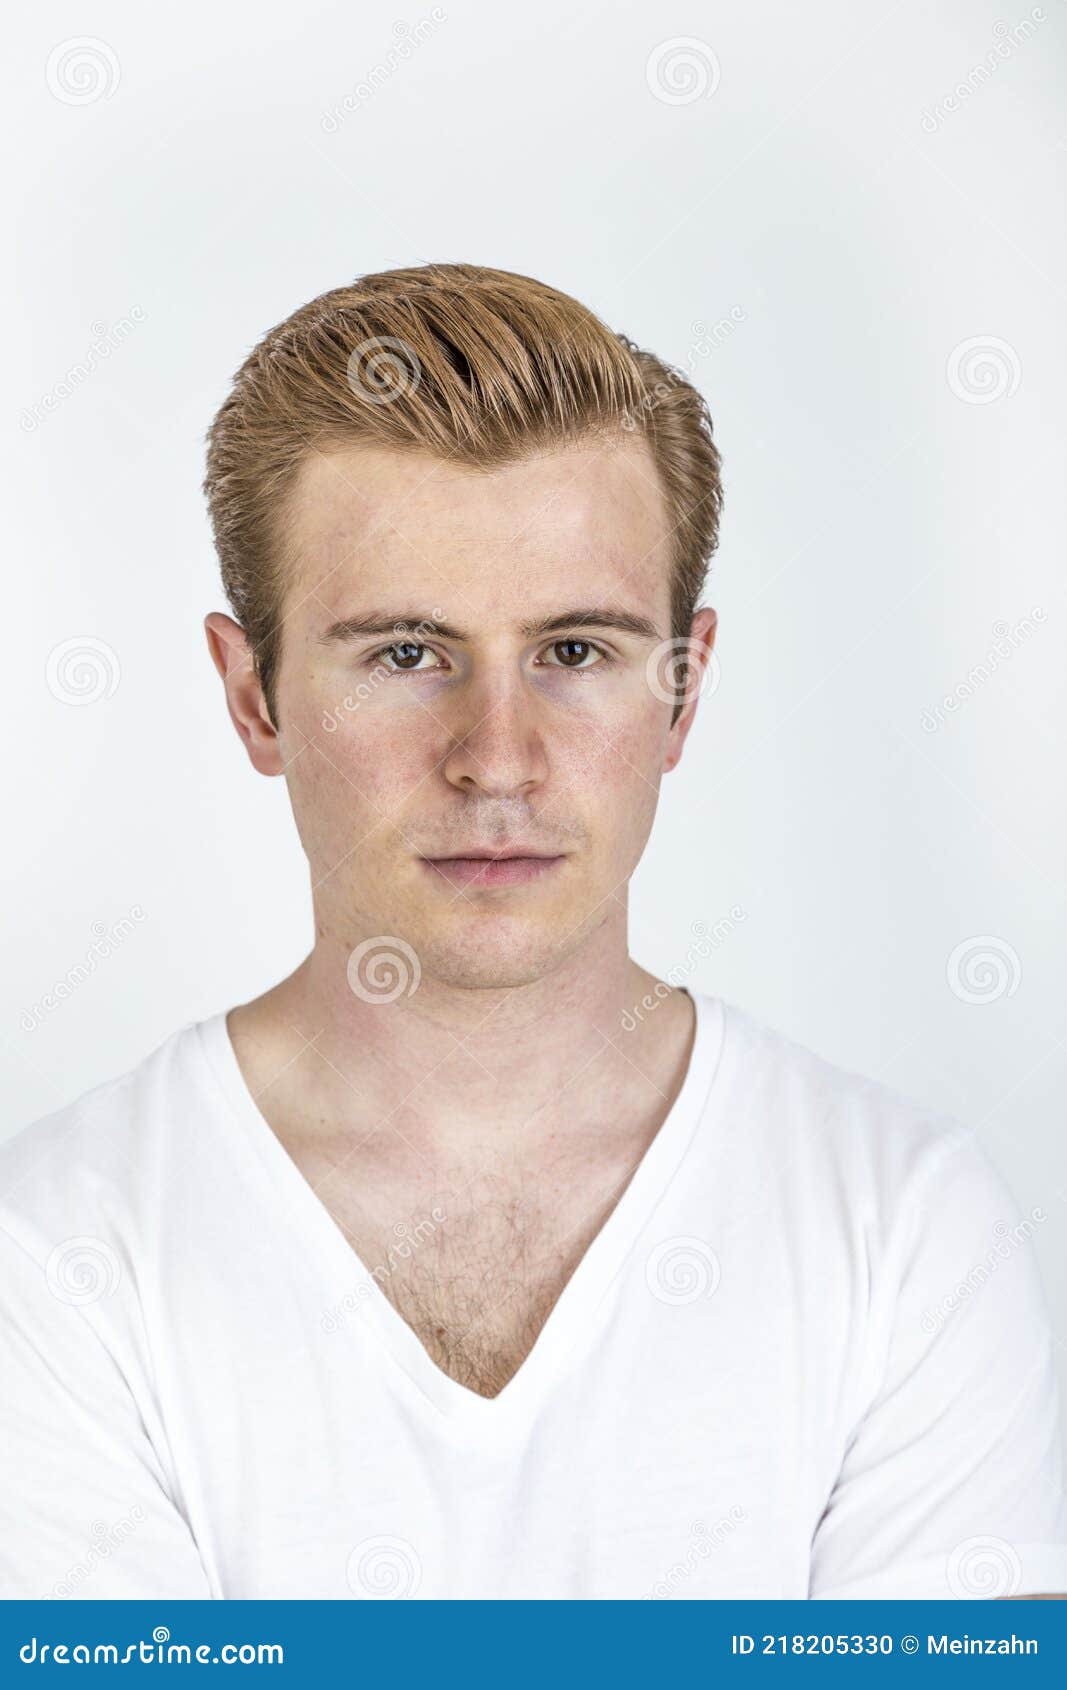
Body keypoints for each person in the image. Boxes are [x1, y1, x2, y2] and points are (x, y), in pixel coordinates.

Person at [2, 263, 1065, 1601]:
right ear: (253, 696)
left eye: (575, 651)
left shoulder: (905, 1233)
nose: (495, 758)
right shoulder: (54, 1258)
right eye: (404, 654)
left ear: (683, 693)